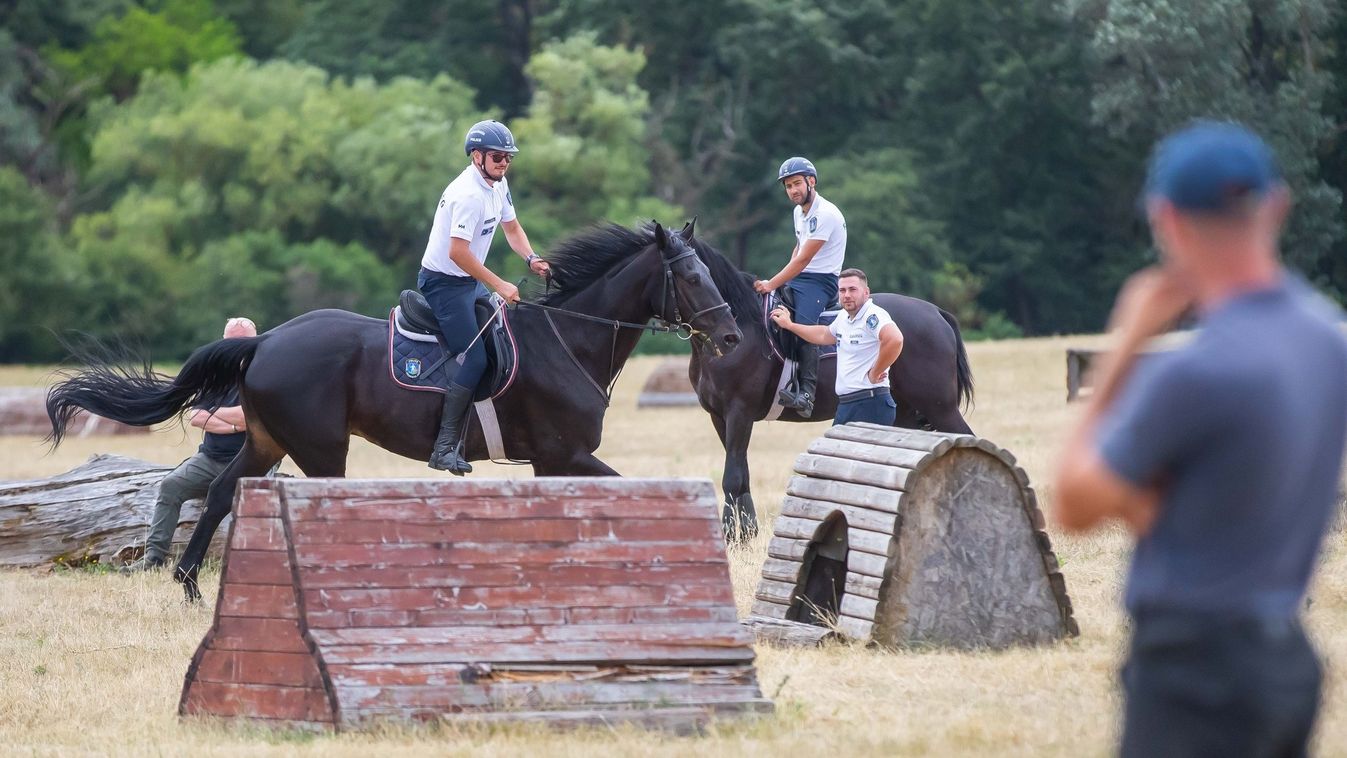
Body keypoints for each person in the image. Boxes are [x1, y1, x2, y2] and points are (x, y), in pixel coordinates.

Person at [1053, 121, 1347, 757]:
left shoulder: (1199, 371)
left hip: (1194, 674)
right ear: (1278, 206)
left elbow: (1073, 503)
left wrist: (1126, 341)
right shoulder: (1328, 341)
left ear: (1167, 220)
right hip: (1286, 662)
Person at [418, 119, 550, 474]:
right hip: (444, 284)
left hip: (466, 282)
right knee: (475, 359)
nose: (504, 163)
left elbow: (512, 227)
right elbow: (457, 253)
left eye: (508, 157)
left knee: (506, 334)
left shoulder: (498, 184)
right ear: (476, 156)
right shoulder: (468, 196)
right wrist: (500, 285)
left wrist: (531, 258)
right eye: (497, 157)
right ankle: (444, 448)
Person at [121, 317, 258, 573]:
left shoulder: (260, 375)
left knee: (256, 503)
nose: (237, 347)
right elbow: (196, 417)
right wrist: (234, 424)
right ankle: (153, 559)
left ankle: (250, 564)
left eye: (244, 341)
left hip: (249, 459)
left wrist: (218, 415)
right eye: (232, 342)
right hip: (210, 458)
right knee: (170, 486)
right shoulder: (215, 376)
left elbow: (248, 416)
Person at [755, 156, 847, 417]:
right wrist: (778, 281)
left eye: (797, 184)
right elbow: (798, 250)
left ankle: (806, 393)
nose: (793, 190)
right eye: (788, 186)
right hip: (800, 277)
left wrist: (772, 282)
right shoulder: (799, 212)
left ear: (812, 181)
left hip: (821, 281)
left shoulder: (826, 214)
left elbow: (806, 258)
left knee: (804, 327)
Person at [770, 268, 902, 425]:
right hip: (847, 404)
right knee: (832, 449)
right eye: (842, 290)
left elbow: (895, 339)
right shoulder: (843, 316)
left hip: (871, 403)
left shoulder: (872, 315)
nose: (846, 295)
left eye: (853, 289)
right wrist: (790, 325)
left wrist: (876, 372)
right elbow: (824, 334)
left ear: (866, 292)